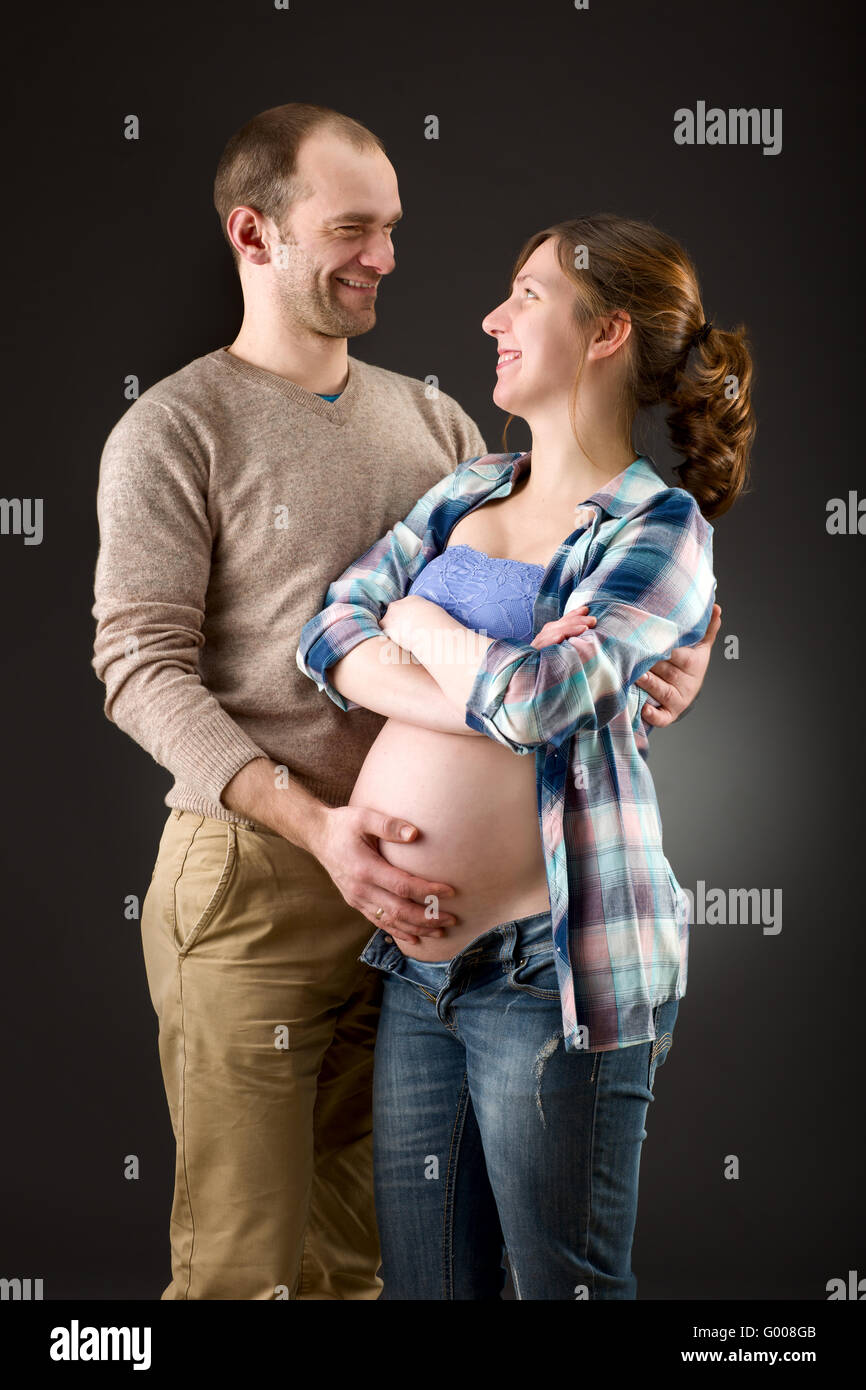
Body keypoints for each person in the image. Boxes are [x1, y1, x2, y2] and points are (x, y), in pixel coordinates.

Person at [91, 99, 715, 1302]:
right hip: (260, 880)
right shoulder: (174, 426)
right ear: (254, 234)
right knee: (237, 1264)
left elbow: (544, 587)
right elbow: (141, 665)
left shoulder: (436, 425)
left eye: (391, 228)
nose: (384, 256)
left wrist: (668, 653)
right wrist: (320, 823)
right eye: (352, 228)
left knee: (361, 1266)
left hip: (418, 919)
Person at [296, 213, 753, 1300]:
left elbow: (544, 700)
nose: (492, 319)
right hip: (417, 969)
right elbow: (327, 633)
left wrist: (425, 620)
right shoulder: (466, 489)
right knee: (424, 1289)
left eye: (526, 296)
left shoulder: (659, 529)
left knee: (563, 1287)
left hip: (555, 972)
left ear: (605, 333)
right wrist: (477, 688)